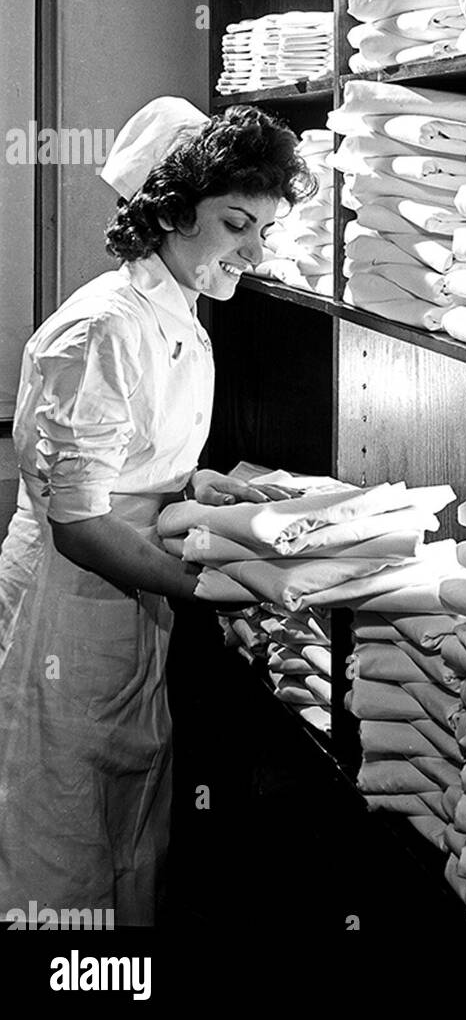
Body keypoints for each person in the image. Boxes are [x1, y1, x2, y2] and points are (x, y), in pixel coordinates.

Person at [0, 97, 315, 925]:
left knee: (129, 831)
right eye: (236, 224)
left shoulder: (178, 315)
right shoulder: (99, 330)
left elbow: (129, 465)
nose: (255, 251)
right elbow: (78, 523)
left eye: (264, 229)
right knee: (59, 843)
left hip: (130, 612)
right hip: (61, 618)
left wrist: (191, 487)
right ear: (172, 214)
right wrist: (216, 583)